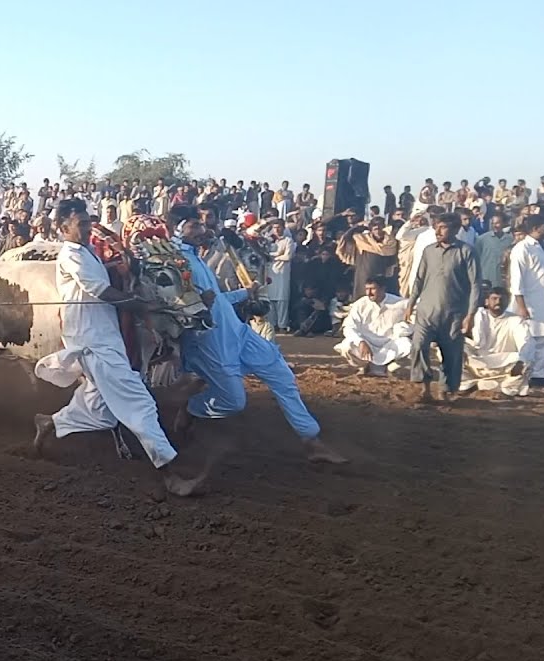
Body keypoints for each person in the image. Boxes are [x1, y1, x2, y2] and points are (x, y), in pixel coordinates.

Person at [31, 199, 204, 496]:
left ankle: (49, 422)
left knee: (100, 411)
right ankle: (171, 476)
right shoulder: (71, 256)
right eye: (81, 224)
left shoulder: (87, 252)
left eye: (88, 221)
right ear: (63, 228)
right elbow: (102, 291)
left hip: (104, 338)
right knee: (140, 404)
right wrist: (142, 306)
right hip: (93, 341)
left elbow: (105, 281)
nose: (87, 228)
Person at [172, 215, 347, 463]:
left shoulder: (197, 256)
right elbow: (179, 305)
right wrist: (202, 302)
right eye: (194, 226)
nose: (201, 230)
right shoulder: (176, 263)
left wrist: (245, 292)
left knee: (282, 374)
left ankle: (311, 440)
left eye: (202, 226)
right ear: (179, 230)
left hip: (239, 332)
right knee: (233, 402)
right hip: (212, 342)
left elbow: (218, 301)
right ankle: (192, 409)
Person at [405, 213, 479, 402]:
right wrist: (411, 303)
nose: (437, 231)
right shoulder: (429, 250)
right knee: (418, 346)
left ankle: (445, 390)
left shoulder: (466, 251)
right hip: (426, 311)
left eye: (443, 227)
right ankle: (424, 388)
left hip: (454, 313)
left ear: (455, 230)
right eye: (436, 226)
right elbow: (419, 279)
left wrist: (470, 314)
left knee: (451, 353)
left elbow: (475, 285)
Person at [507, 215, 544, 387]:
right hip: (528, 301)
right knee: (528, 341)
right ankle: (522, 377)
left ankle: (540, 375)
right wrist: (522, 306)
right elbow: (516, 281)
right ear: (536, 228)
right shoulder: (521, 249)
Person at [462, 287, 533, 397]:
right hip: (478, 362)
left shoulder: (516, 320)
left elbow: (526, 342)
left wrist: (521, 361)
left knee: (526, 360)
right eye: (494, 299)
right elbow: (470, 339)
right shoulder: (477, 316)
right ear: (486, 301)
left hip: (504, 364)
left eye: (502, 299)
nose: (498, 302)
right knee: (451, 349)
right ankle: (466, 385)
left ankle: (505, 390)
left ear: (508, 302)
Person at [334, 279, 411, 376]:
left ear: (383, 289)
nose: (369, 293)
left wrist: (402, 330)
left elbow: (414, 318)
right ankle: (364, 366)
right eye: (367, 289)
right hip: (367, 343)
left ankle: (391, 368)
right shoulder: (360, 304)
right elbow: (349, 326)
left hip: (389, 344)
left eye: (373, 289)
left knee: (409, 346)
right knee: (347, 346)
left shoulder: (400, 303)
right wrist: (360, 341)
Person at [263, 219, 294, 331]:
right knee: (270, 299)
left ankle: (282, 325)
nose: (277, 230)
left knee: (282, 300)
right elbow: (263, 253)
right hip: (271, 272)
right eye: (274, 227)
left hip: (282, 273)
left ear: (284, 227)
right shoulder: (268, 241)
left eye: (279, 227)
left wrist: (272, 256)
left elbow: (288, 257)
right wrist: (277, 255)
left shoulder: (288, 241)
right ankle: (272, 324)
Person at [474, 213, 513, 288]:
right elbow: (476, 259)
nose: (494, 226)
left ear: (503, 224)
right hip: (486, 279)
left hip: (503, 280)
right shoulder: (482, 239)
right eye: (492, 223)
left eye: (497, 223)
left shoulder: (510, 239)